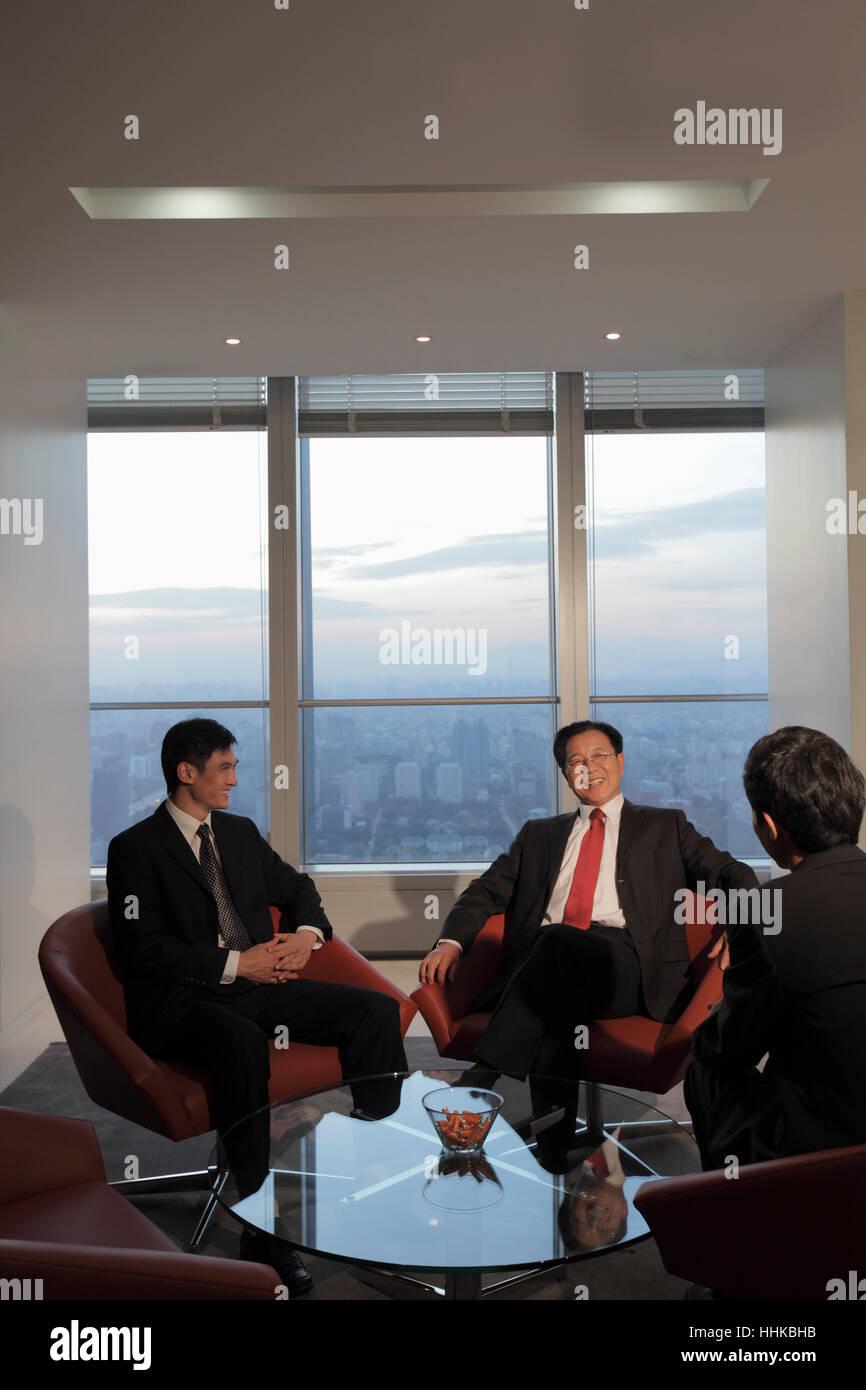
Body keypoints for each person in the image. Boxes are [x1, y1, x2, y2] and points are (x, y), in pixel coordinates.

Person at [106, 718, 407, 1293]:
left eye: (236, 767)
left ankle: (377, 1170)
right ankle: (260, 1228)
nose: (235, 780)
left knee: (373, 1010)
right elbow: (142, 949)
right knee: (240, 1042)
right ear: (185, 773)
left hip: (258, 987)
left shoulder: (238, 833)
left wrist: (306, 937)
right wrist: (236, 964)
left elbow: (296, 890)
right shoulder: (135, 849)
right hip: (182, 1004)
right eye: (224, 768)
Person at [419, 719, 758, 1082]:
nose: (590, 768)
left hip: (628, 968)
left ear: (621, 762)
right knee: (558, 991)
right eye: (576, 762)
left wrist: (745, 927)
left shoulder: (665, 826)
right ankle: (554, 1134)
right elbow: (484, 891)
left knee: (555, 944)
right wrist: (450, 943)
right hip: (547, 964)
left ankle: (483, 1078)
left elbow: (730, 872)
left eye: (600, 756)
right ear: (566, 775)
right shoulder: (537, 835)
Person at [685, 725, 866, 1169]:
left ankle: (737, 1212)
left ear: (768, 826)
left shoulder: (766, 910)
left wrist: (711, 1018)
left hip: (824, 1149)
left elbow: (731, 1048)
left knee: (705, 1069)